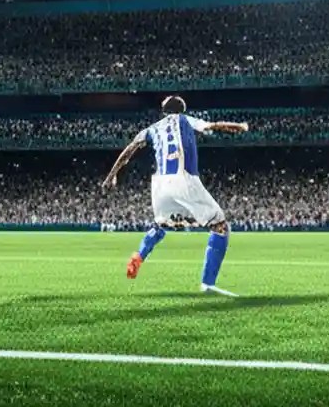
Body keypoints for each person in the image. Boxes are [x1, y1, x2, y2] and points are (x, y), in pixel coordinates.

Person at [101, 96, 249, 296]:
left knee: (161, 225)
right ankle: (208, 284)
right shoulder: (185, 119)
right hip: (184, 179)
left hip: (160, 185)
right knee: (220, 226)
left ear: (164, 112)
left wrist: (111, 176)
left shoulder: (151, 129)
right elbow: (212, 126)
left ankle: (139, 256)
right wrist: (238, 126)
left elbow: (129, 150)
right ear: (182, 109)